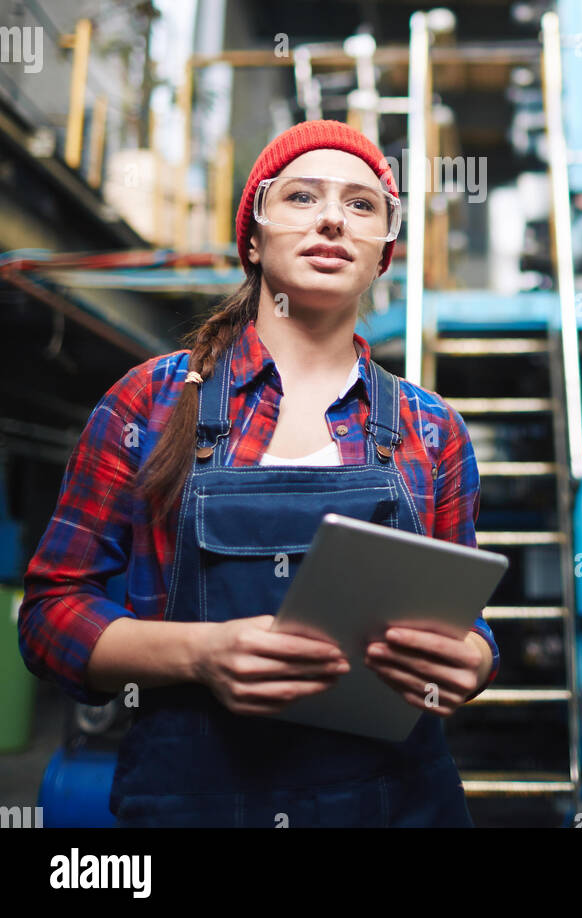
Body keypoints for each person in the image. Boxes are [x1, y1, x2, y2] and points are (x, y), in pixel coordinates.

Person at [19, 119, 500, 828]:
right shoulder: (148, 402)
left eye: (363, 205)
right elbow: (49, 618)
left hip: (395, 807)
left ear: (382, 257)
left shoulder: (434, 431)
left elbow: (462, 622)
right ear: (252, 238)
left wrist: (475, 660)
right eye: (303, 197)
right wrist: (198, 654)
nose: (334, 218)